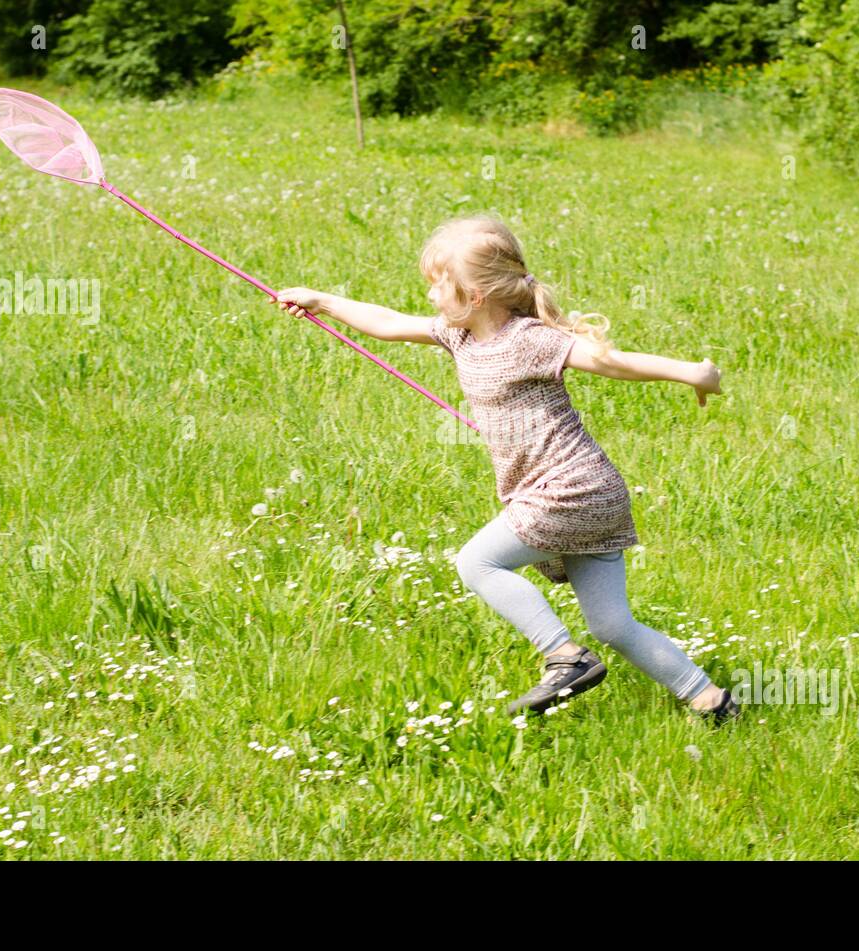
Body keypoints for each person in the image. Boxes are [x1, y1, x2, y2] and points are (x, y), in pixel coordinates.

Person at [272, 215, 741, 726]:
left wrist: (695, 372)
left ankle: (565, 657)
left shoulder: (528, 340)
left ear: (474, 295)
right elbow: (387, 323)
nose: (430, 297)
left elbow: (609, 362)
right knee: (613, 624)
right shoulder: (459, 337)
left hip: (570, 490)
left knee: (477, 563)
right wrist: (322, 300)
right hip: (595, 493)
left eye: (437, 286)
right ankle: (712, 702)